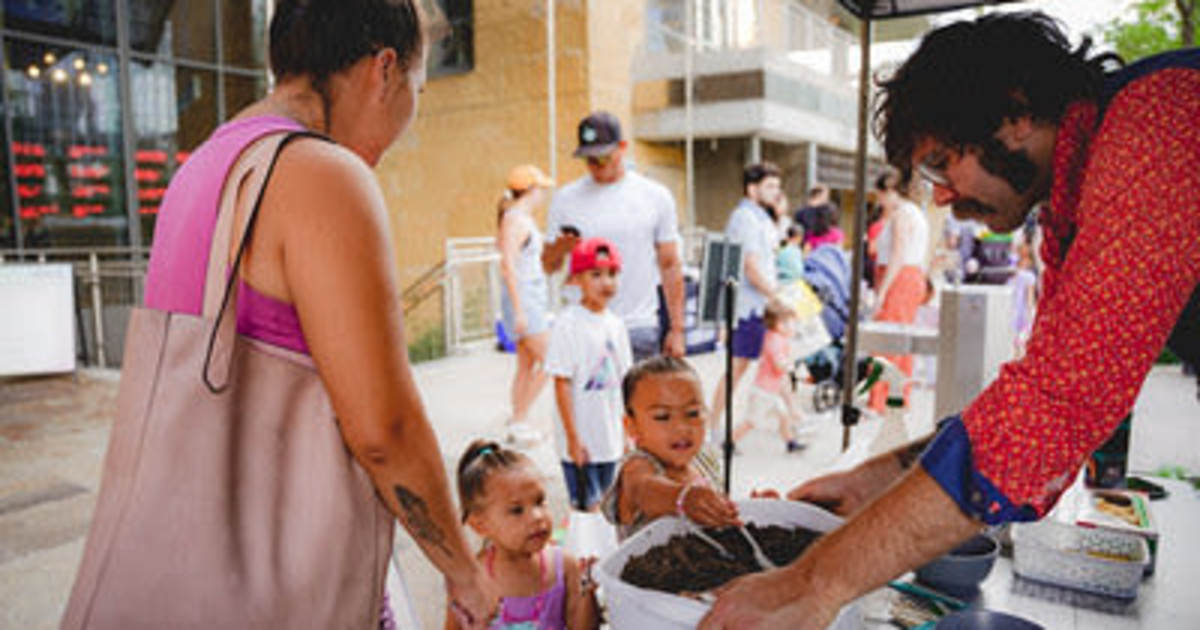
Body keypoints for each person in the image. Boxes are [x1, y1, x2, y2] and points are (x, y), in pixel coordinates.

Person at [700, 12, 1200, 629]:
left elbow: (1055, 406)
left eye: (940, 163)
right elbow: (1034, 392)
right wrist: (876, 479)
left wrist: (811, 584)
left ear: (1015, 113)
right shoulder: (1074, 199)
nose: (937, 195)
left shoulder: (1159, 119)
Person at [116, 1, 497, 627]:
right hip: (282, 578)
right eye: (418, 89)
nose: (410, 114)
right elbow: (385, 431)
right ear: (384, 70)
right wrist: (463, 572)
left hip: (192, 565)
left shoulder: (207, 166)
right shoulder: (321, 173)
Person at [541, 111, 686, 361]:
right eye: (589, 160)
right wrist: (560, 249)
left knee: (639, 400)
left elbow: (670, 265)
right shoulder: (565, 199)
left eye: (603, 157)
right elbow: (547, 266)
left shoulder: (655, 196)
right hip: (582, 326)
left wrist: (677, 329)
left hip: (637, 327)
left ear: (622, 148)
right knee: (584, 401)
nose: (596, 166)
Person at [450, 440, 599, 630]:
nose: (537, 517)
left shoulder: (565, 567)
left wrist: (587, 591)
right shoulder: (470, 581)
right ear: (480, 525)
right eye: (517, 510)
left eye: (539, 502)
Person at [601, 356, 734, 540]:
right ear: (631, 425)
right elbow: (644, 489)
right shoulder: (638, 466)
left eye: (692, 413)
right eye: (662, 416)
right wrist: (683, 499)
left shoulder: (704, 460)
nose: (681, 427)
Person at [544, 237, 634, 510]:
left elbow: (625, 385)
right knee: (587, 512)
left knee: (611, 510)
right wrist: (573, 438)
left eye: (612, 274)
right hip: (582, 443)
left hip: (611, 442)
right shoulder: (568, 324)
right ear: (576, 279)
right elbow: (561, 383)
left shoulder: (617, 325)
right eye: (595, 275)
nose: (606, 283)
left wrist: (628, 435)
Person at [709, 162, 783, 440]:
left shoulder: (761, 217)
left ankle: (792, 426)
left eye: (777, 186)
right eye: (770, 186)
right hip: (749, 307)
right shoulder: (745, 218)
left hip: (761, 305)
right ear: (752, 189)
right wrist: (777, 296)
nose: (776, 192)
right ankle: (713, 426)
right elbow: (751, 267)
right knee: (737, 369)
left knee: (778, 361)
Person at [496, 164, 554, 445]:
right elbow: (508, 264)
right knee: (552, 360)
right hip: (526, 302)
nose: (543, 195)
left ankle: (519, 419)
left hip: (530, 300)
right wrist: (518, 310)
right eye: (540, 189)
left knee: (526, 364)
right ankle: (519, 419)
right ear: (530, 191)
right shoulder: (516, 220)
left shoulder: (516, 218)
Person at [867, 169, 930, 411]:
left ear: (891, 192)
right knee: (901, 342)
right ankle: (897, 396)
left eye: (881, 195)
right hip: (909, 276)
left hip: (897, 278)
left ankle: (880, 399)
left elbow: (897, 254)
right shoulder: (915, 213)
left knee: (886, 339)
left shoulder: (902, 215)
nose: (880, 201)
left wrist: (882, 291)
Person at [730, 299, 808, 453]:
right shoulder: (775, 341)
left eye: (791, 323)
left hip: (772, 389)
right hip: (764, 390)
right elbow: (779, 364)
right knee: (752, 420)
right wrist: (792, 368)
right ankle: (729, 442)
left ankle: (790, 442)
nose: (790, 327)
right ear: (774, 324)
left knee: (784, 415)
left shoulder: (776, 337)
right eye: (785, 323)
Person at [1007, 240, 1038, 357]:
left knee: (1016, 341)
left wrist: (1030, 313)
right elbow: (1030, 299)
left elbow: (1030, 298)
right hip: (1018, 309)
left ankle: (1015, 358)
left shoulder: (1022, 275)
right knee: (1017, 341)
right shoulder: (1025, 275)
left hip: (1017, 309)